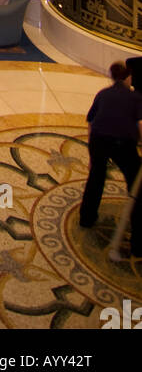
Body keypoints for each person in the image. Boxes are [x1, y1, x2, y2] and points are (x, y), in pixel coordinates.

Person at [79, 62, 142, 256]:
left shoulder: (103, 94)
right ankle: (139, 243)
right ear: (127, 78)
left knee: (96, 177)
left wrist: (92, 153)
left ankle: (86, 218)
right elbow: (139, 125)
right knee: (137, 186)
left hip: (99, 139)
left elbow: (90, 121)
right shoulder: (135, 97)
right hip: (123, 143)